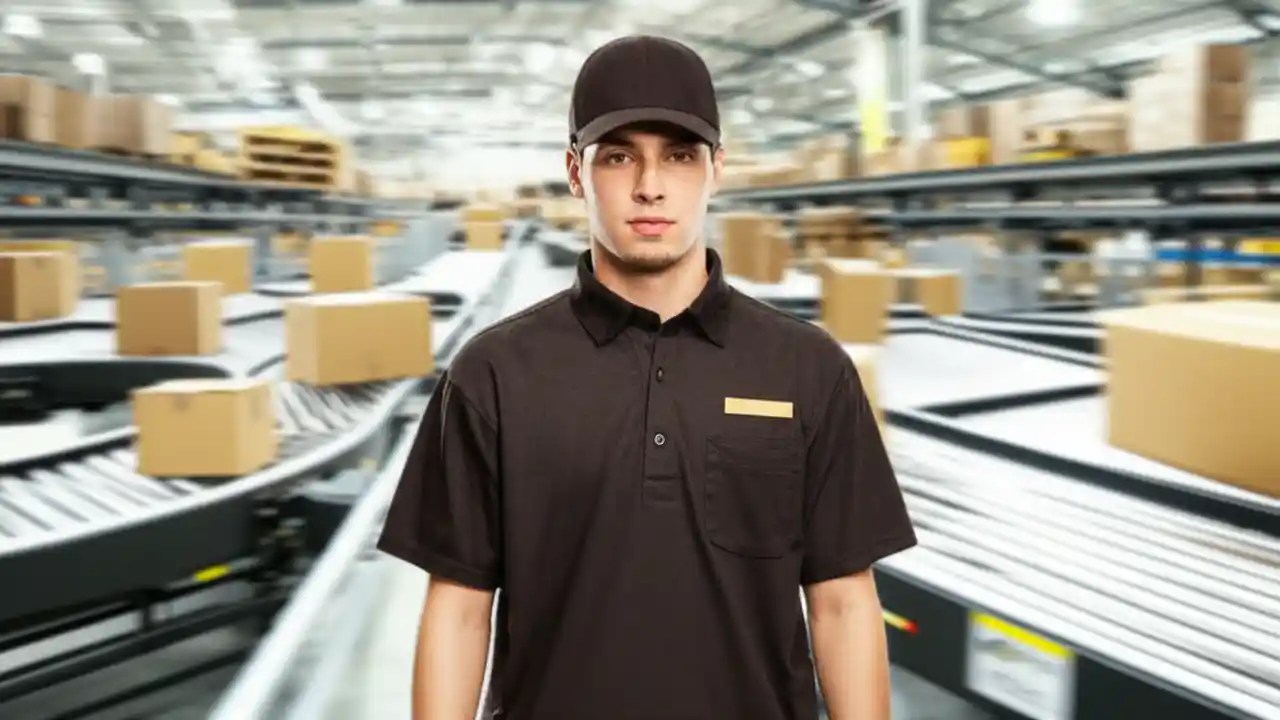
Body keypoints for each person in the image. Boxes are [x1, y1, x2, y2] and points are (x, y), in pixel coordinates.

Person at [377, 34, 917, 720]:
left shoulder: (809, 369)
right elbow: (458, 610)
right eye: (619, 156)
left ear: (716, 169)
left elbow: (843, 603)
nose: (650, 185)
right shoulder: (493, 375)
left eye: (680, 156)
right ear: (576, 172)